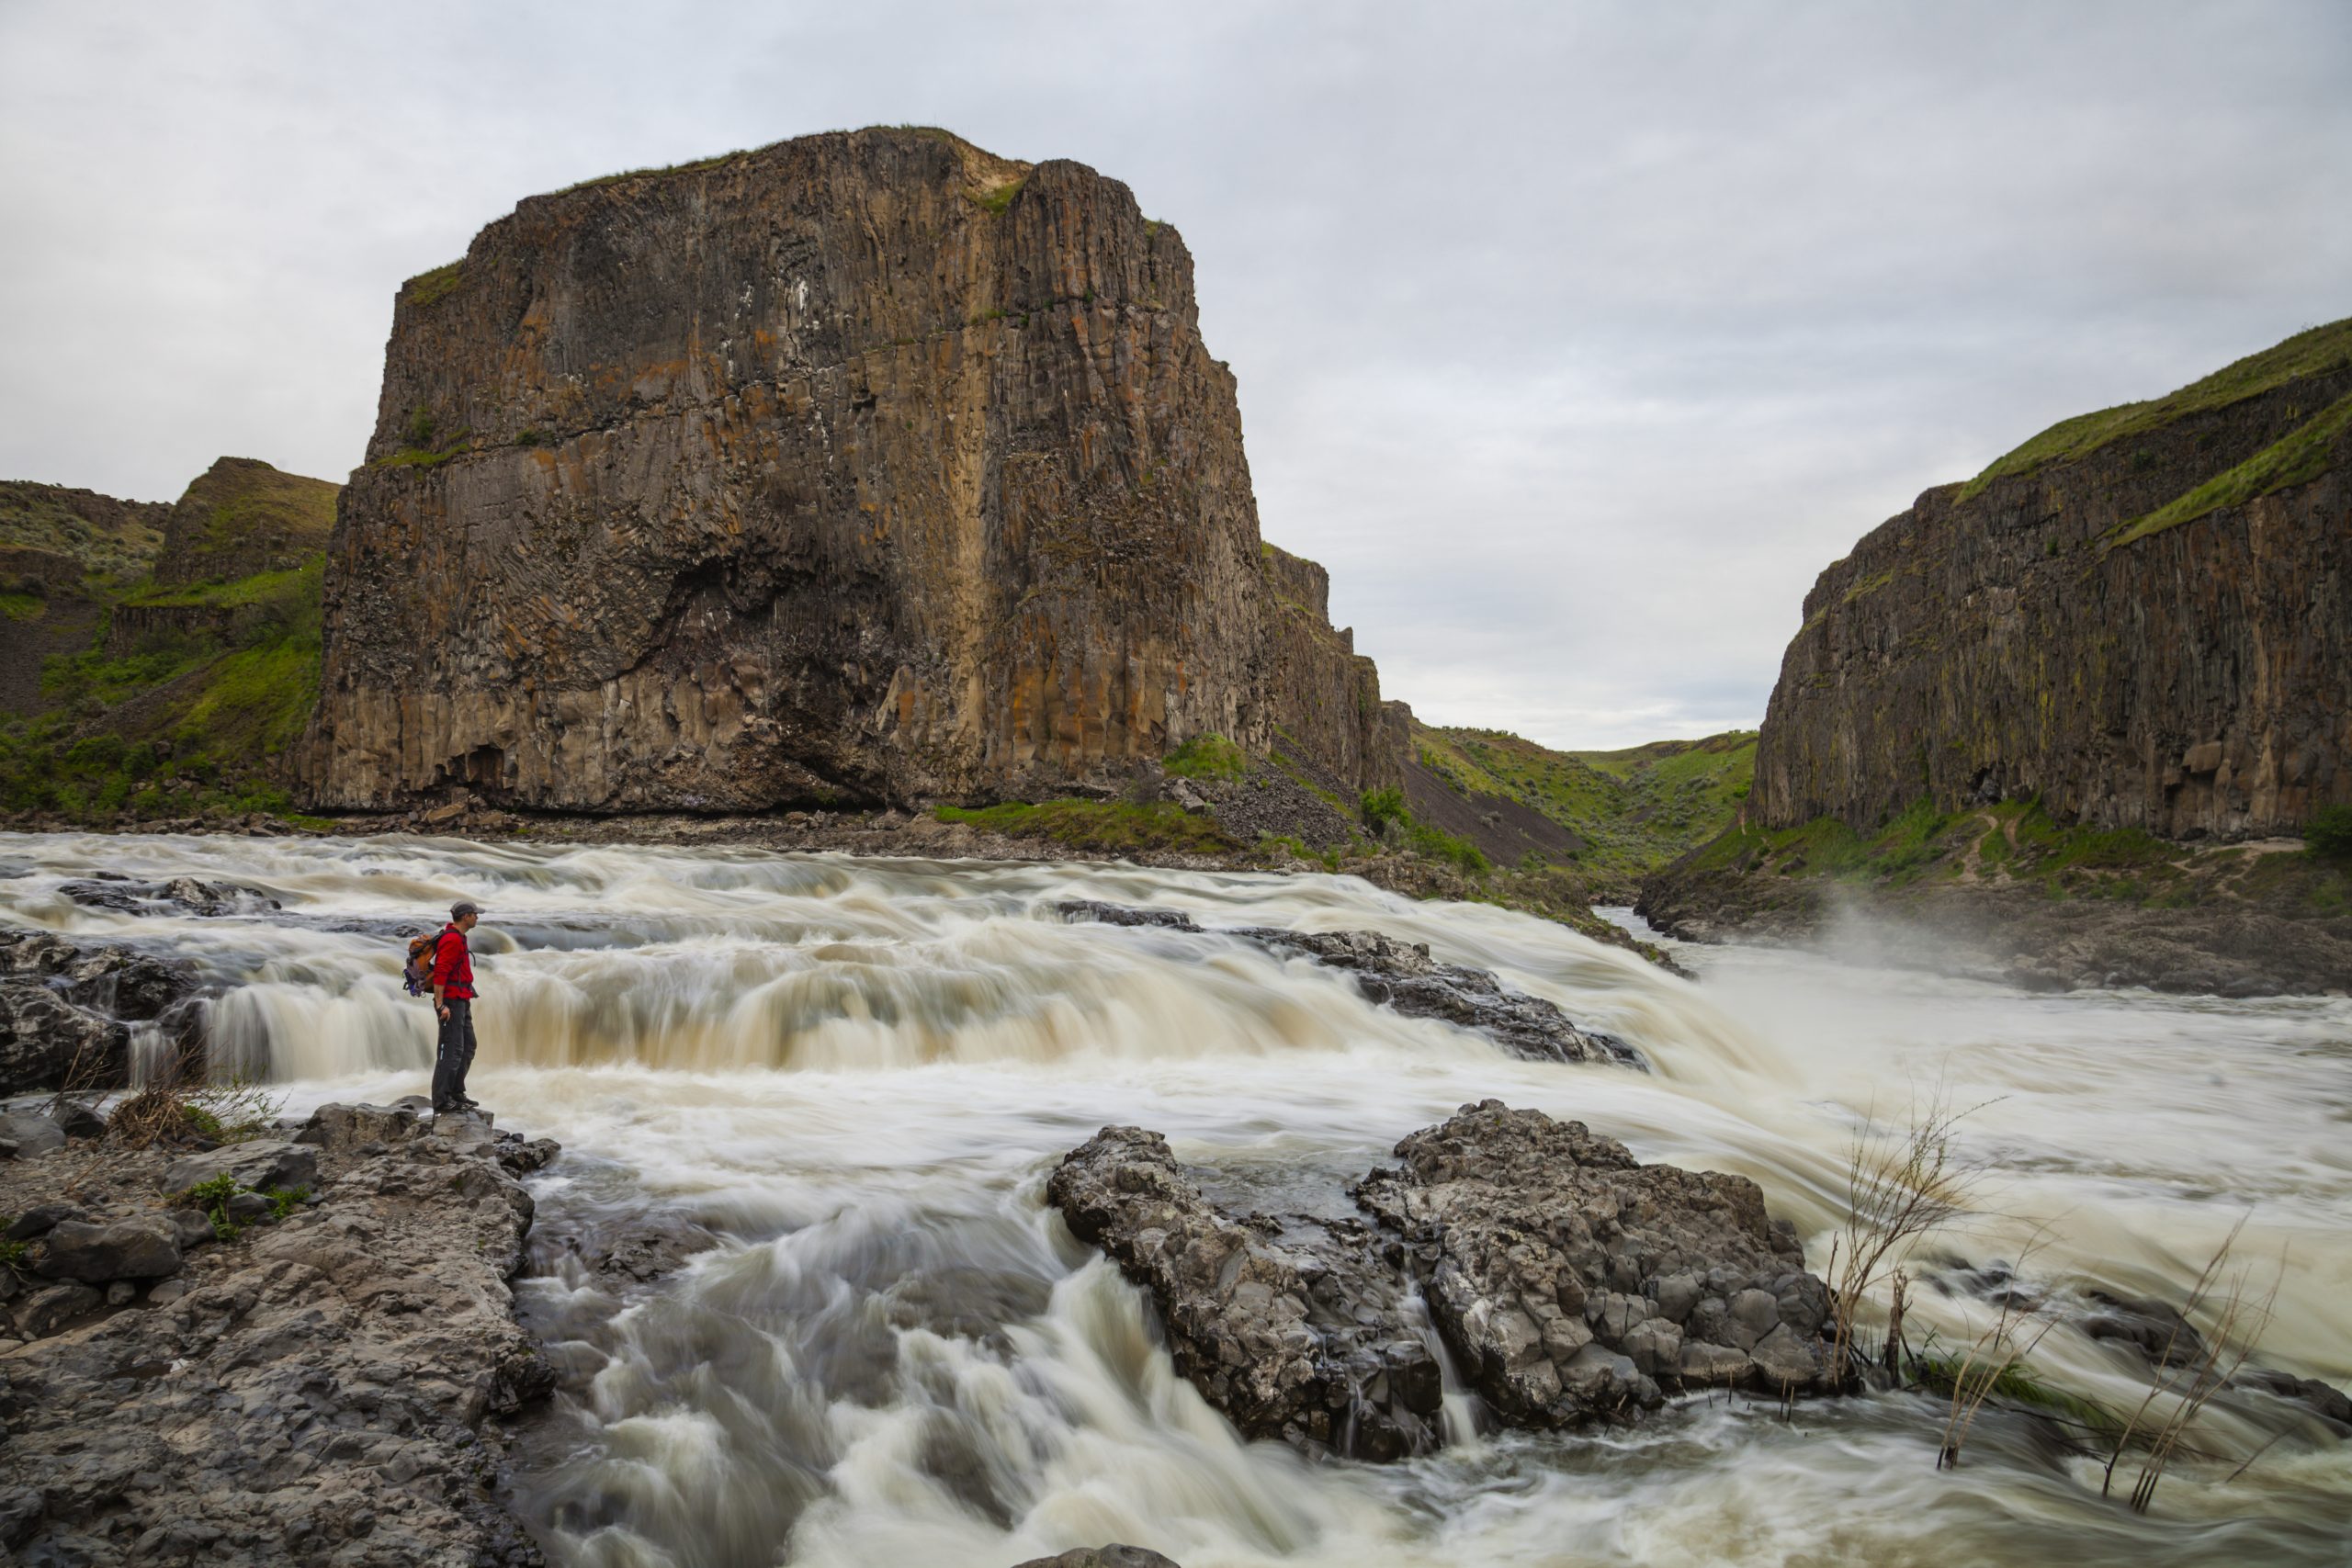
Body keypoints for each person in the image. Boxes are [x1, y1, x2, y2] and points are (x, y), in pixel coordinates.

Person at [430, 899, 483, 1114]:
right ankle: (442, 1100)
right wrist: (441, 1004)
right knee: (451, 1051)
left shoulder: (459, 937)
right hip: (450, 1002)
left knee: (468, 1046)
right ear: (465, 916)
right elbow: (441, 972)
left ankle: (456, 1092)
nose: (477, 917)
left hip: (462, 998)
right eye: (475, 914)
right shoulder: (452, 939)